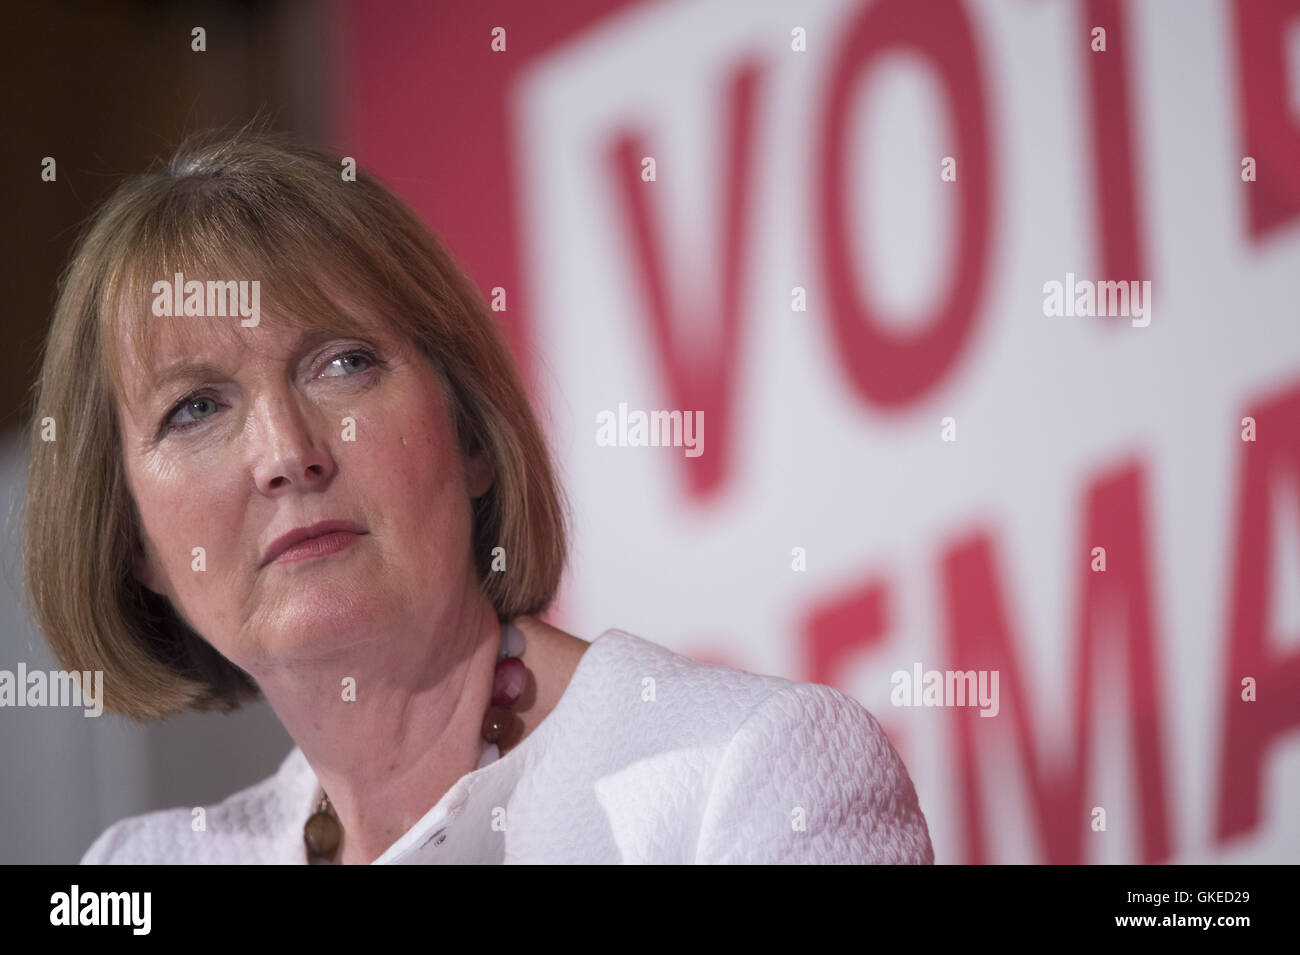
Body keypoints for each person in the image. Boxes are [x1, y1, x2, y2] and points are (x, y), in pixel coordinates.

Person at [23, 125, 934, 864]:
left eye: (343, 363)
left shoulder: (743, 775)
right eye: (193, 409)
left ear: (470, 435)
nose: (285, 454)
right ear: (133, 541)